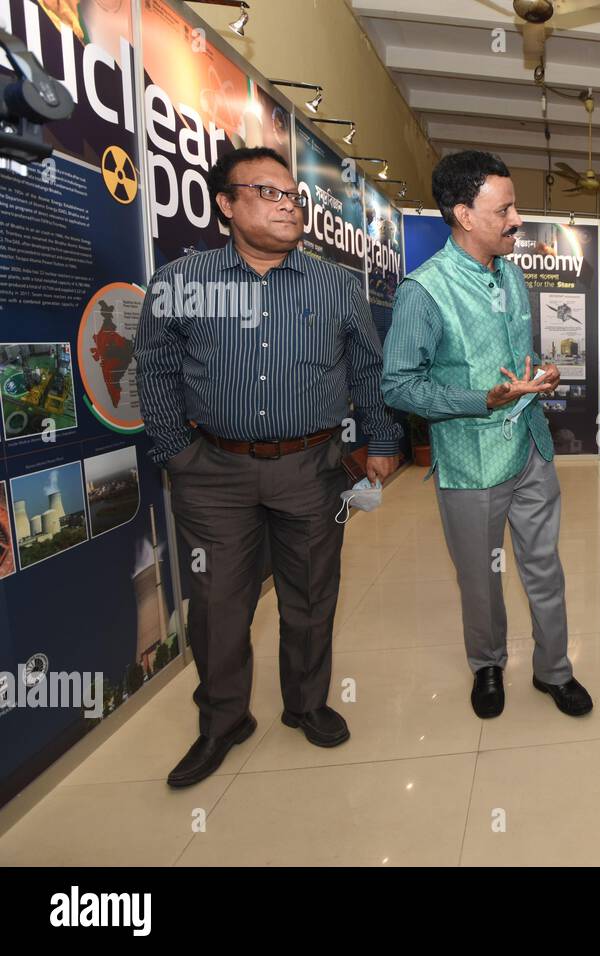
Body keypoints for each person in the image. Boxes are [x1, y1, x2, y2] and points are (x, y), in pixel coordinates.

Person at [136, 147, 403, 788]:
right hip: (214, 472)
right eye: (269, 191)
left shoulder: (335, 284)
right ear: (226, 204)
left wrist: (383, 440)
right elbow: (156, 371)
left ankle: (306, 705)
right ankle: (223, 721)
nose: (289, 204)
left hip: (312, 468)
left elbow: (369, 370)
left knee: (311, 595)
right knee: (217, 605)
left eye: (293, 195)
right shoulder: (182, 281)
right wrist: (178, 456)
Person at [381, 150, 592, 720]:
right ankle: (489, 667)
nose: (518, 219)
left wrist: (537, 375)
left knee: (545, 567)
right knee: (481, 578)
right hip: (470, 464)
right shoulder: (423, 291)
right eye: (505, 209)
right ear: (464, 215)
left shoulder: (513, 273)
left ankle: (555, 671)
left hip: (531, 448)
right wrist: (481, 401)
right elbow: (398, 385)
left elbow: (511, 359)